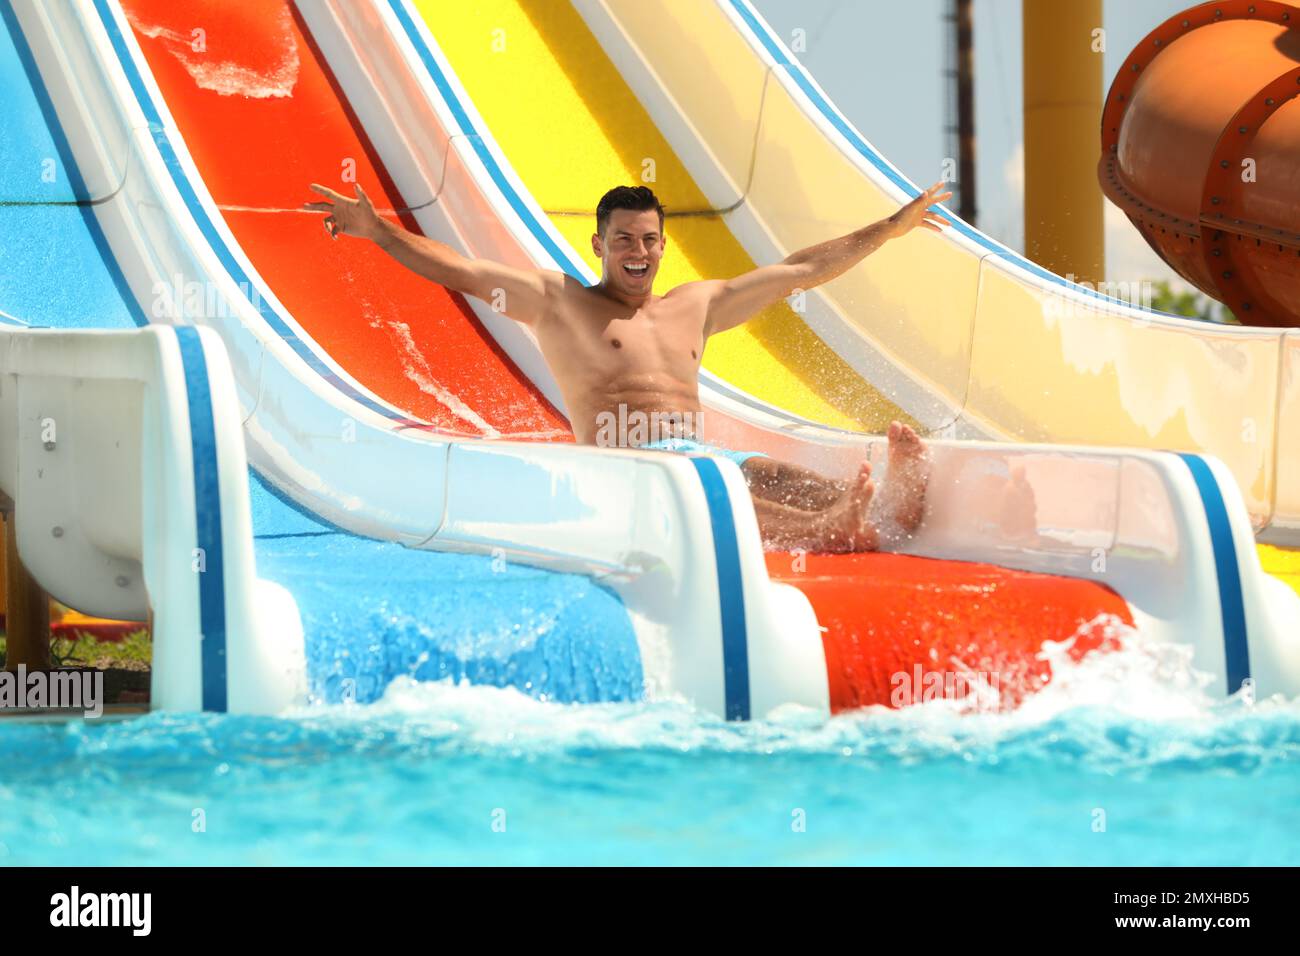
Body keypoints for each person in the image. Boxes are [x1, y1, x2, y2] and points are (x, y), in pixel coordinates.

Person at [304, 179, 951, 552]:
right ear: (599, 245)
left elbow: (799, 271)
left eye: (648, 240)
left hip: (700, 459)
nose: (637, 252)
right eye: (623, 240)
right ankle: (824, 532)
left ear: (664, 245)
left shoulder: (695, 305)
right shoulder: (563, 304)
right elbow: (463, 271)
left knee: (766, 473)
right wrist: (379, 230)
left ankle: (882, 509)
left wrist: (888, 228)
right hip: (627, 471)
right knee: (711, 486)